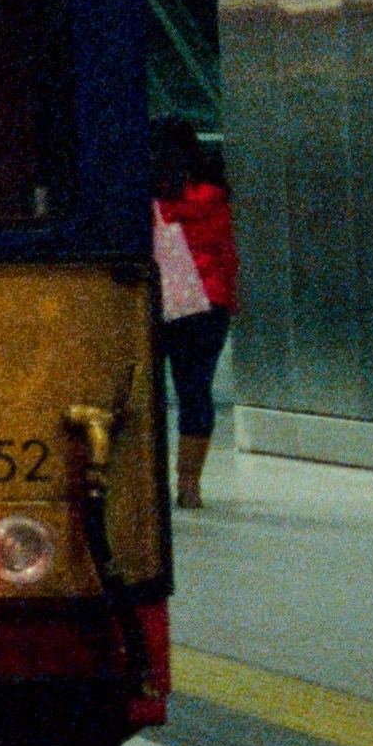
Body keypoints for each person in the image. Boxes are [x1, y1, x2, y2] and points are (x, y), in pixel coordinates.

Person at [148, 122, 238, 509]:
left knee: (146, 395)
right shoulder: (215, 198)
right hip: (208, 304)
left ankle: (146, 482)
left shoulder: (147, 200)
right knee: (195, 392)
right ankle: (189, 485)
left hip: (157, 302)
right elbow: (225, 256)